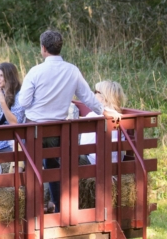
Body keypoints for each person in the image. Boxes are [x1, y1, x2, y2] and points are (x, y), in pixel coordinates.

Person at [15, 29, 108, 212]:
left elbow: (23, 102)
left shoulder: (35, 72)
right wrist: (105, 112)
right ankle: (58, 208)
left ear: (43, 48)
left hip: (35, 128)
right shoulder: (72, 71)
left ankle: (33, 209)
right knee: (54, 166)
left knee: (31, 168)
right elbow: (88, 98)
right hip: (58, 129)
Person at [80, 80, 127, 164]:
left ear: (102, 97)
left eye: (95, 92)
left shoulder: (93, 116)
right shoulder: (120, 117)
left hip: (94, 162)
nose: (93, 95)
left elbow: (83, 145)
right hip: (116, 161)